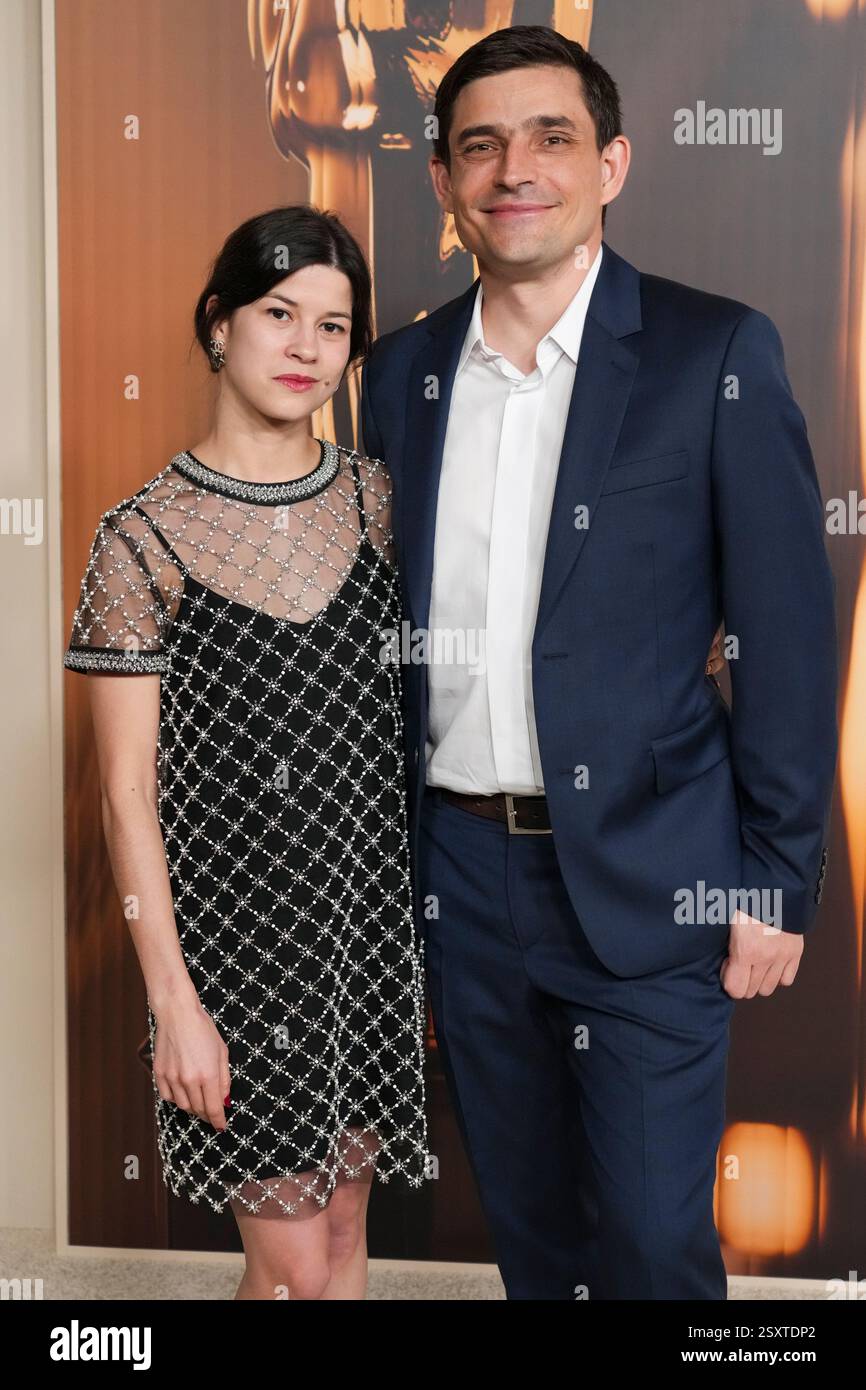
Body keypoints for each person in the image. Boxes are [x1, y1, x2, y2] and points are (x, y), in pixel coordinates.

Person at [360, 25, 838, 1299]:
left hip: (649, 874)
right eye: (480, 145)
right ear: (447, 180)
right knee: (531, 1240)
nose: (514, 168)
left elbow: (788, 630)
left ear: (612, 164)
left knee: (645, 1249)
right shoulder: (396, 377)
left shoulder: (712, 353)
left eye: (550, 137)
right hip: (458, 881)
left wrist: (777, 871)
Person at [63, 205, 428, 1301]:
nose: (307, 348)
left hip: (366, 935)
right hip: (235, 951)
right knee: (290, 1270)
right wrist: (173, 1002)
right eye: (280, 314)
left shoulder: (377, 504)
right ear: (219, 323)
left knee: (346, 1230)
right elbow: (126, 795)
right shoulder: (140, 538)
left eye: (332, 326)